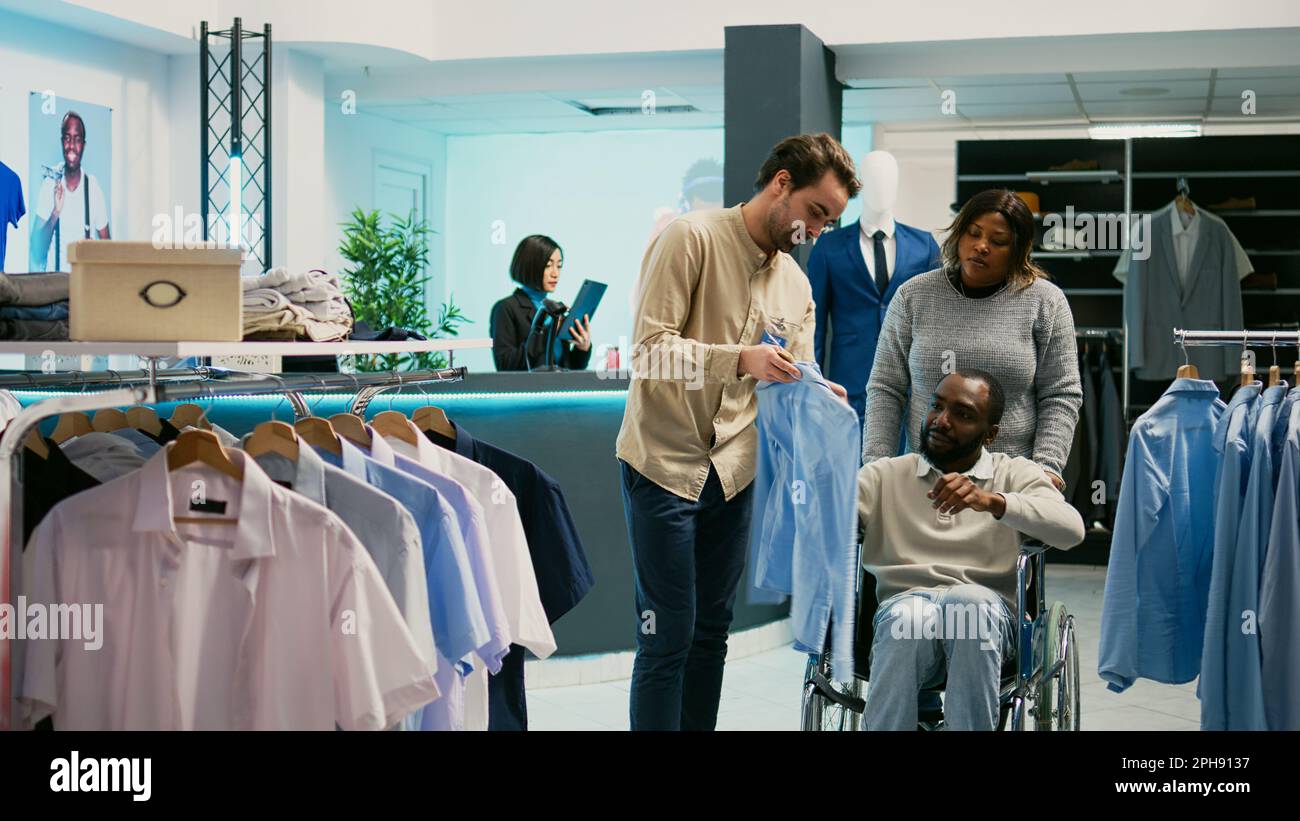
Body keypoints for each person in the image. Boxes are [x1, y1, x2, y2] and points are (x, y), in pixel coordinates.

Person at [616, 133, 857, 731]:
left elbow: (789, 378)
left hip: (734, 474)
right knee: (666, 635)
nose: (818, 232)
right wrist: (739, 358)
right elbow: (648, 354)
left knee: (710, 633)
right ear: (781, 184)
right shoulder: (689, 239)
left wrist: (816, 389)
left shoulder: (796, 286)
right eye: (816, 213)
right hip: (664, 465)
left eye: (829, 222)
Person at [857, 369, 1085, 730]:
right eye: (937, 406)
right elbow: (821, 521)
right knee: (909, 615)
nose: (941, 421)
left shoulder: (1013, 474)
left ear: (990, 434)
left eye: (962, 414)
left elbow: (1072, 530)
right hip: (907, 618)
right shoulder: (885, 475)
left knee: (968, 603)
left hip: (987, 622)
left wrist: (993, 502)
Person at [862, 188, 1082, 491]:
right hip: (925, 478)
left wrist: (1048, 467)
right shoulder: (914, 296)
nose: (981, 246)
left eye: (998, 241)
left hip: (1011, 484)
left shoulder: (1046, 302)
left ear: (1019, 250)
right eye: (973, 233)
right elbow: (886, 387)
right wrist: (876, 465)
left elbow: (1061, 394)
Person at [489, 234, 592, 371]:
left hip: (561, 390)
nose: (555, 273)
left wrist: (582, 348)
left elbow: (569, 367)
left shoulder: (556, 310)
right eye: (548, 265)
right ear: (529, 266)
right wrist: (547, 329)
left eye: (559, 266)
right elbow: (505, 365)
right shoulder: (505, 308)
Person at [30, 111, 110, 272]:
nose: (72, 146)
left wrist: (97, 251)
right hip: (55, 290)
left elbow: (107, 248)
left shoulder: (93, 188)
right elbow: (36, 251)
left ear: (84, 145)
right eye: (67, 138)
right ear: (61, 141)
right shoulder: (49, 184)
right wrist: (55, 213)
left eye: (77, 139)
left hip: (86, 287)